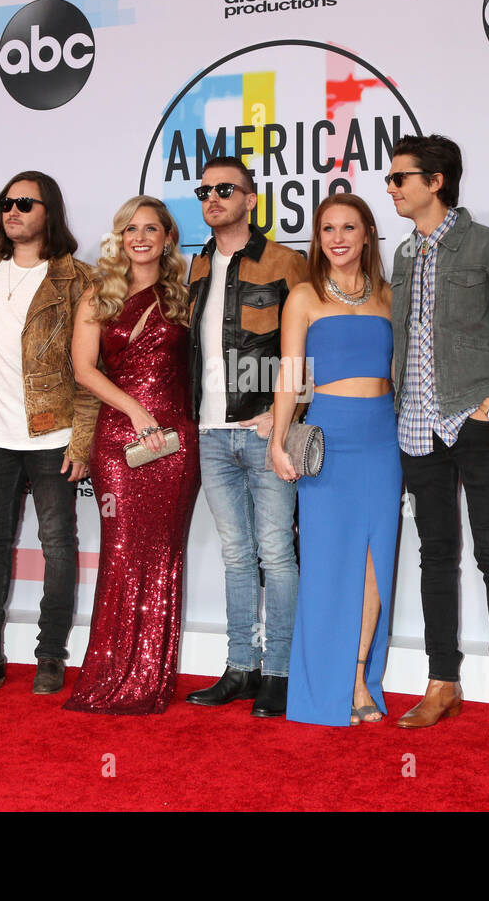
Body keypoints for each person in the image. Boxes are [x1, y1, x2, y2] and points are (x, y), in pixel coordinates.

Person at [386, 134, 489, 741]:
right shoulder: (403, 255)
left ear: (436, 181)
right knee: (435, 557)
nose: (391, 188)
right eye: (390, 178)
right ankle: (441, 682)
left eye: (400, 177)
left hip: (478, 424)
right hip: (416, 428)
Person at [0, 171, 97, 699]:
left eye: (26, 203)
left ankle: (50, 656)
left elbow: (90, 369)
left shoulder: (76, 278)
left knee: (58, 546)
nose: (13, 210)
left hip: (52, 435)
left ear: (48, 211)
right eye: (7, 202)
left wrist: (81, 441)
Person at [184, 156, 309, 717]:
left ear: (251, 199)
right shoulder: (197, 264)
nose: (213, 198)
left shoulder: (286, 262)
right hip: (210, 433)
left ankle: (279, 672)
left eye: (225, 189)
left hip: (264, 432)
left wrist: (284, 415)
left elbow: (310, 346)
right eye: (205, 191)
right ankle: (241, 667)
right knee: (236, 556)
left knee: (276, 554)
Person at [64, 197, 199, 714]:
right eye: (130, 229)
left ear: (167, 238)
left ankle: (149, 677)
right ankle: (111, 673)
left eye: (150, 229)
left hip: (175, 442)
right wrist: (136, 410)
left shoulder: (184, 296)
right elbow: (84, 369)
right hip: (120, 440)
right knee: (121, 552)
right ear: (119, 238)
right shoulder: (99, 294)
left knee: (164, 557)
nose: (140, 238)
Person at [271, 194, 399, 726]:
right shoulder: (304, 296)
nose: (338, 238)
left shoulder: (388, 296)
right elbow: (290, 374)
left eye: (349, 227)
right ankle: (327, 683)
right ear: (317, 238)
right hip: (329, 437)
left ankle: (359, 674)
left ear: (367, 234)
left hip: (382, 437)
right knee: (326, 564)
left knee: (374, 563)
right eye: (328, 229)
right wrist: (278, 440)